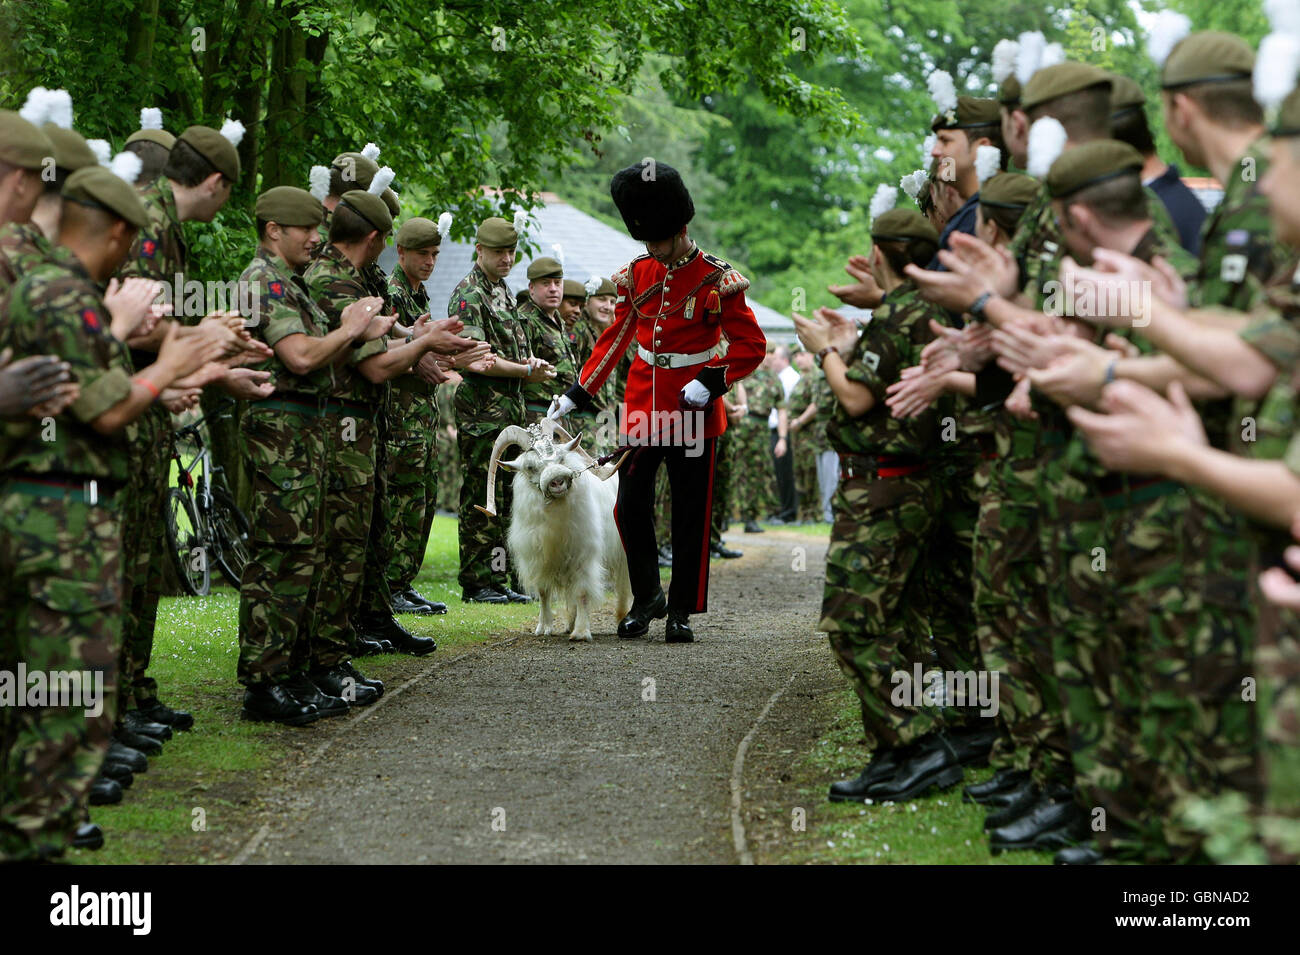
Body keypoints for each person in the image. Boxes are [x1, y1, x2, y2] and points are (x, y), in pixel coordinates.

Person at [0, 164, 224, 860]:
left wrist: (184, 368)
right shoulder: (63, 292)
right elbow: (103, 407)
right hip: (57, 521)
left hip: (61, 514)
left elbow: (88, 390)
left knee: (56, 702)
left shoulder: (55, 289)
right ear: (122, 232)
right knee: (60, 707)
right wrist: (173, 359)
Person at [550, 160, 765, 642]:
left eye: (660, 240)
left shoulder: (717, 278)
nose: (653, 250)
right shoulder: (637, 274)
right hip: (645, 406)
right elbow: (616, 336)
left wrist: (712, 381)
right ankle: (648, 596)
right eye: (646, 241)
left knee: (689, 513)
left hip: (694, 412)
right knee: (629, 506)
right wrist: (578, 392)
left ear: (680, 229)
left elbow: (750, 345)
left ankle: (682, 608)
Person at [450, 215, 554, 604]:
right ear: (480, 251)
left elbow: (508, 350)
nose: (506, 258)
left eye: (510, 252)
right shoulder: (469, 294)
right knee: (482, 495)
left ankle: (499, 578)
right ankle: (478, 583)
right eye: (498, 252)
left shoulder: (502, 291)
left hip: (509, 409)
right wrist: (526, 370)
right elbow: (478, 358)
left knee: (509, 498)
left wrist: (531, 364)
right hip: (482, 412)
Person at [383, 215, 461, 616]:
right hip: (399, 417)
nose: (430, 261)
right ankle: (391, 585)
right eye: (422, 254)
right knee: (402, 500)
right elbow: (386, 351)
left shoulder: (419, 294)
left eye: (434, 254)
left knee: (423, 499)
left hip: (421, 416)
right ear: (400, 252)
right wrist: (418, 361)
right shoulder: (392, 292)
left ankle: (403, 582)